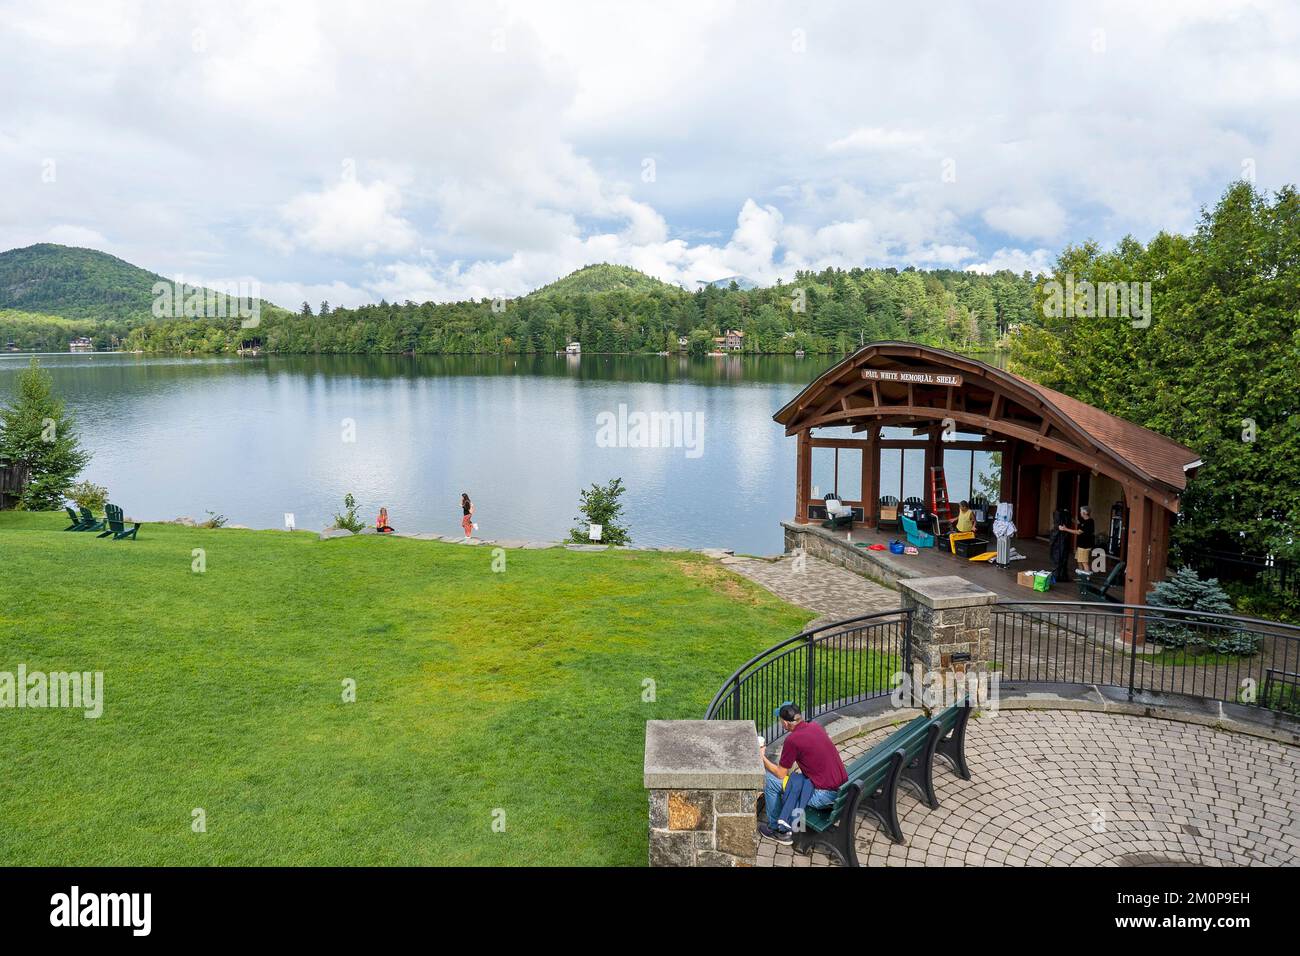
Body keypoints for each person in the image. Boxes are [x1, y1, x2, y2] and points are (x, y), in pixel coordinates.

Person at [757, 702, 848, 844]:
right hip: (841, 790)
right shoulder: (815, 727)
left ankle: (778, 830)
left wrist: (761, 756)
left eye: (780, 720)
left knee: (770, 781)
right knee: (796, 779)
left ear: (785, 723)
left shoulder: (792, 740)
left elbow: (780, 774)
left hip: (824, 796)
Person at [1062, 505, 1096, 572]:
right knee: (1079, 561)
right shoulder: (1084, 521)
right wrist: (1068, 514)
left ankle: (1086, 579)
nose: (1080, 512)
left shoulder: (1089, 522)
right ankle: (1081, 576)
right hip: (1081, 545)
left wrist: (1065, 529)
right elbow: (1077, 522)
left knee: (1084, 563)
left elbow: (1078, 532)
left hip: (1085, 546)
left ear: (1085, 512)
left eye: (1081, 511)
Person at [1049, 508, 1072, 583]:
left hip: (1060, 541)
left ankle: (1059, 575)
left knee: (1060, 557)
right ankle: (1060, 575)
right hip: (1060, 541)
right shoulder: (1058, 528)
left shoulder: (1058, 528)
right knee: (1059, 557)